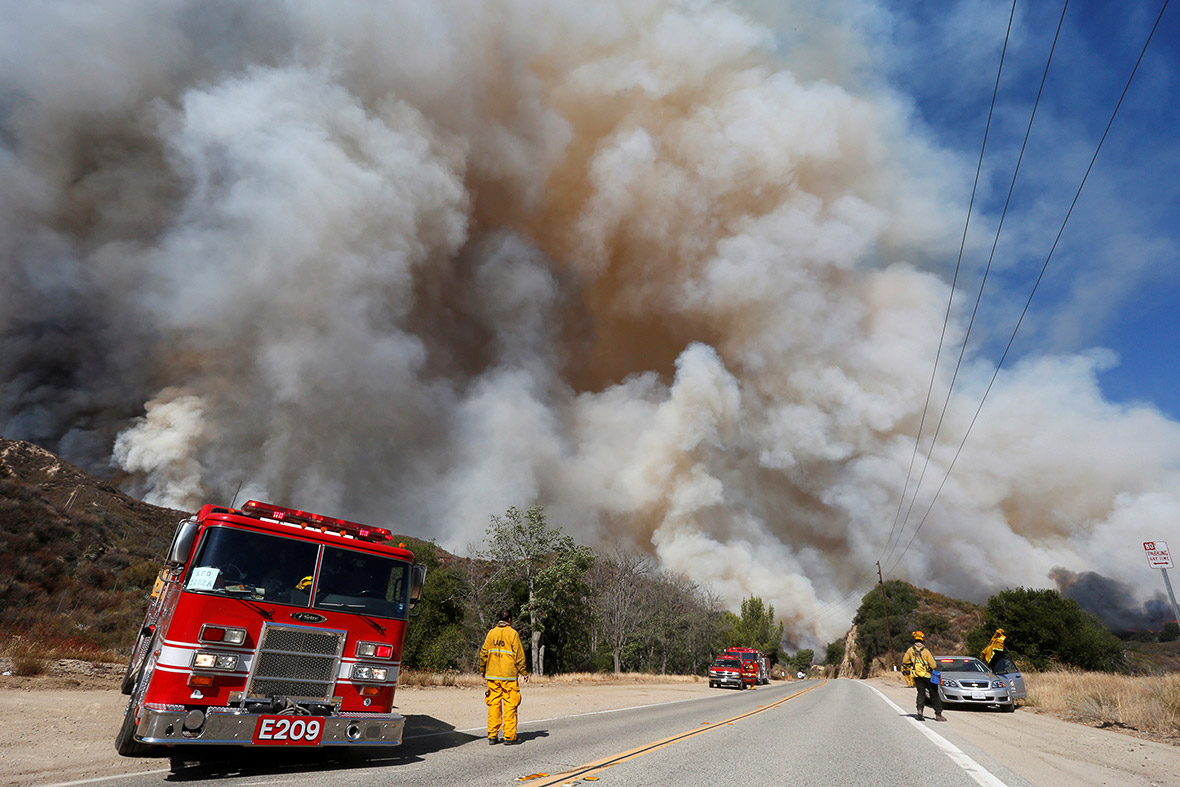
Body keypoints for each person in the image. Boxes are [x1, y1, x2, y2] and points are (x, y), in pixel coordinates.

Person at [479, 610, 528, 745]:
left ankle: (492, 735)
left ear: (499, 619)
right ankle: (509, 736)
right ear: (510, 620)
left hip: (493, 676)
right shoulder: (513, 634)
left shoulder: (491, 633)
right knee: (510, 705)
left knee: (493, 705)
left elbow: (483, 653)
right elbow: (519, 655)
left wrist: (482, 669)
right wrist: (523, 672)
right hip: (509, 676)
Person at [902, 631, 945, 722]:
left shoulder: (910, 650)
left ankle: (920, 711)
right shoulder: (926, 651)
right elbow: (933, 665)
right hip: (928, 676)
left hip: (917, 676)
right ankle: (938, 714)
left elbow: (905, 661)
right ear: (922, 640)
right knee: (934, 694)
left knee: (921, 693)